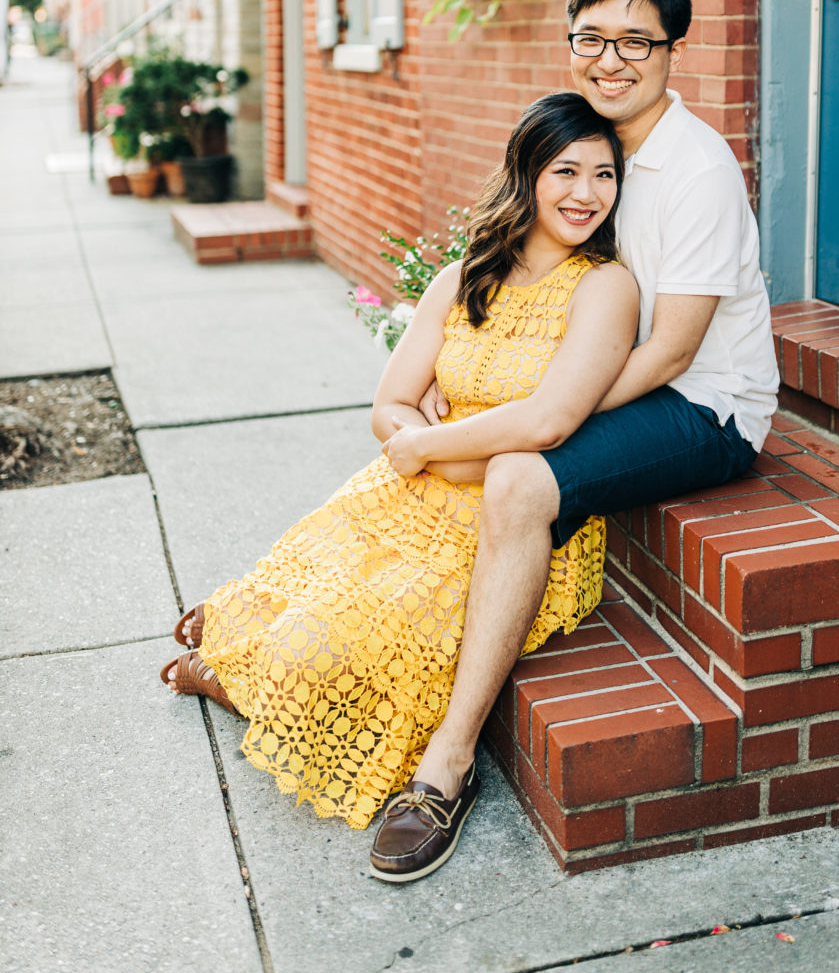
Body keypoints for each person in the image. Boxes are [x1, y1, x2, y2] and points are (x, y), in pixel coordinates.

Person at [159, 92, 639, 881]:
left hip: (504, 522)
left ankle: (261, 680)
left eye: (604, 175)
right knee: (293, 617)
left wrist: (426, 446)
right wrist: (422, 447)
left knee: (321, 659)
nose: (587, 193)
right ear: (525, 173)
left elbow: (549, 422)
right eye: (566, 171)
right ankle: (241, 657)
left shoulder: (604, 287)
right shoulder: (463, 279)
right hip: (396, 499)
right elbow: (388, 403)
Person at [386, 0, 780, 878]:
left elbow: (672, 351)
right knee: (489, 448)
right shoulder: (599, 149)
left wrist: (540, 414)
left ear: (672, 49)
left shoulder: (696, 169)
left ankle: (448, 765)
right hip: (620, 376)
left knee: (517, 476)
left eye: (636, 41)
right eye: (592, 38)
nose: (611, 60)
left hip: (705, 406)